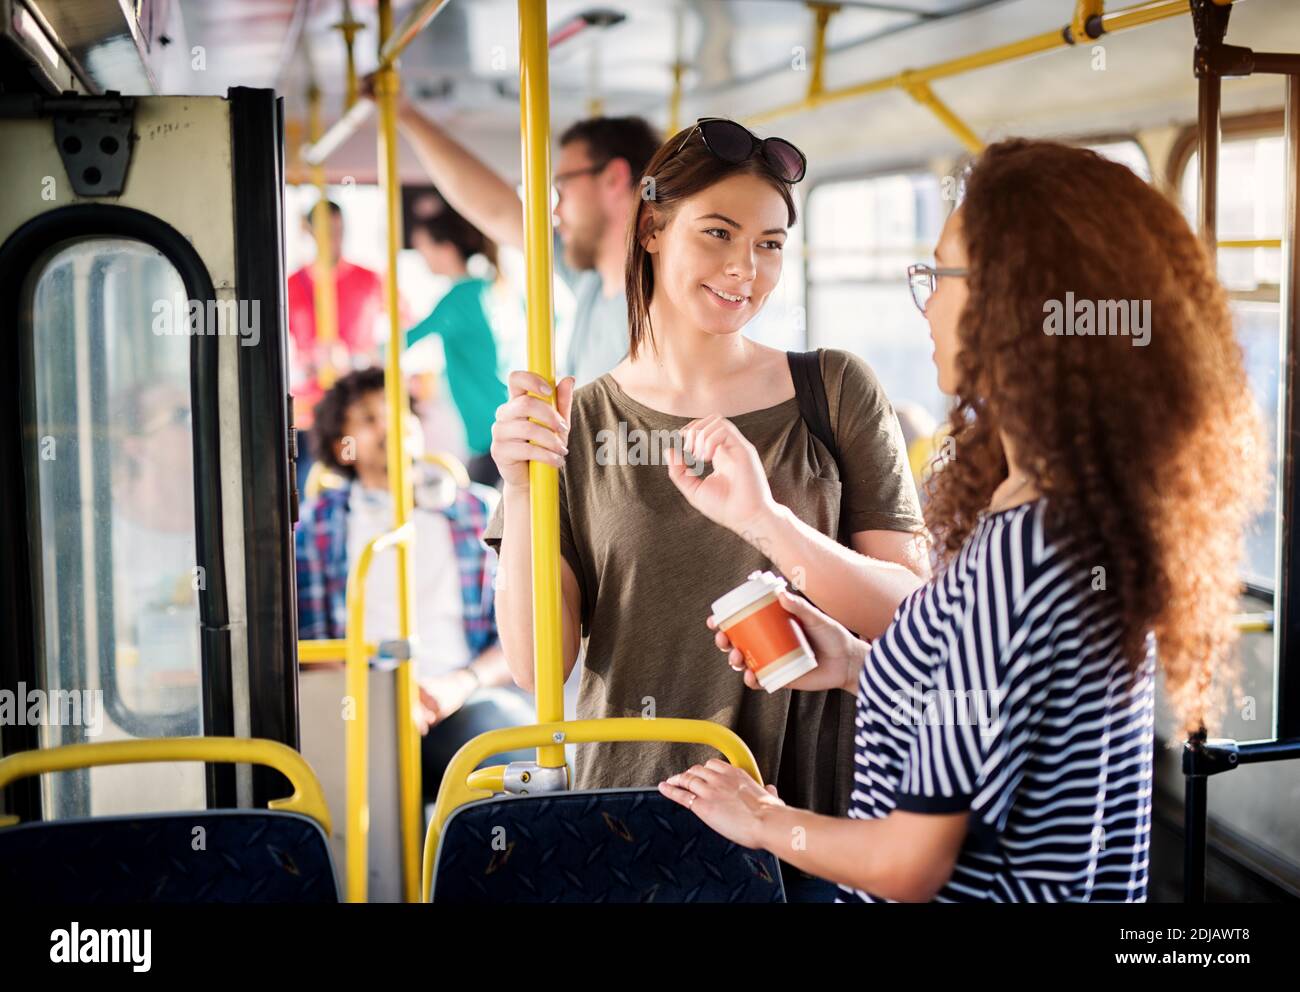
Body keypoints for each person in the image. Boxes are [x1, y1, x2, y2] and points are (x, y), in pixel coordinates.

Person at [657, 139, 1265, 903]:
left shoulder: (1020, 558)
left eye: (943, 273)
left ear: (1013, 305)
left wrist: (764, 819)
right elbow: (1000, 704)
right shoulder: (1078, 517)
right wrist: (855, 663)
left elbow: (911, 863)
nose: (929, 300)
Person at [486, 118, 931, 902]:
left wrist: (770, 523)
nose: (745, 269)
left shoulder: (835, 392)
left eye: (769, 244)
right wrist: (522, 488)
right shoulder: (575, 423)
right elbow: (536, 670)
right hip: (631, 815)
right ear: (652, 230)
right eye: (719, 234)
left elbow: (913, 617)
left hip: (809, 818)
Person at [295, 368, 533, 801]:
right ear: (341, 448)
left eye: (398, 412)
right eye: (368, 419)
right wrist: (382, 699)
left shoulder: (478, 512)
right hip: (357, 702)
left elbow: (518, 641)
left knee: (514, 757)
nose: (389, 425)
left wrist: (459, 685)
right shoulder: (319, 526)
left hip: (463, 696)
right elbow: (311, 643)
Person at [378, 83, 659, 385]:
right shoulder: (592, 281)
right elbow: (495, 210)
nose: (556, 210)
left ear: (614, 177)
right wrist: (405, 114)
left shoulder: (663, 304)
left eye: (562, 188)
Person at [406, 210, 509, 487]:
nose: (421, 258)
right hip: (499, 416)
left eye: (423, 248)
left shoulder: (457, 299)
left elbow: (400, 344)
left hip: (488, 428)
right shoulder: (486, 289)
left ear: (446, 249)